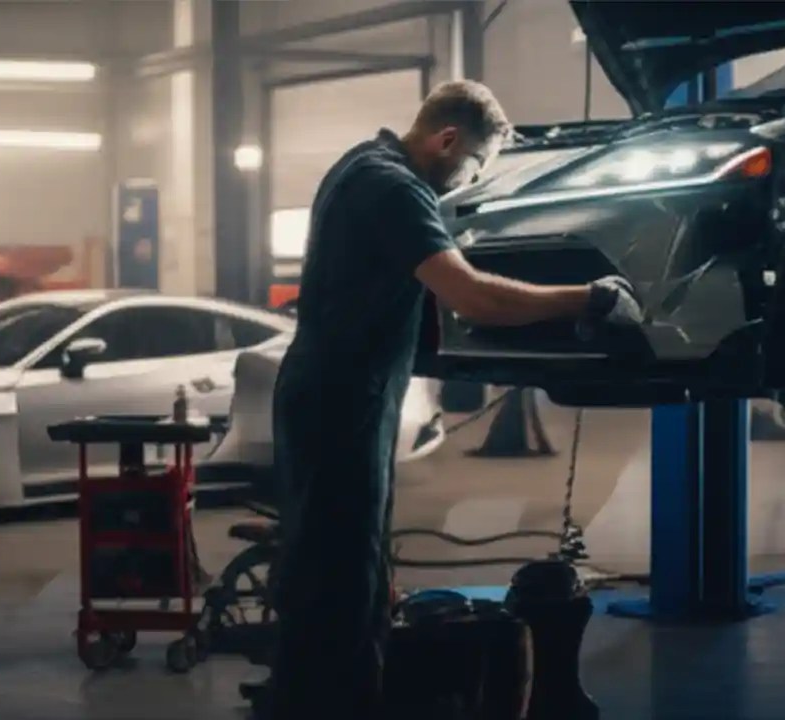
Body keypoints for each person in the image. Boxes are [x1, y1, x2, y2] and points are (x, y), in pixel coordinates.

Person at [261, 80, 643, 719]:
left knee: (333, 573)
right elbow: (473, 296)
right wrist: (589, 297)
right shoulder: (396, 187)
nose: (463, 185)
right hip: (343, 403)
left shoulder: (360, 163)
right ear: (447, 140)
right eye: (471, 168)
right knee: (341, 587)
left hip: (332, 394)